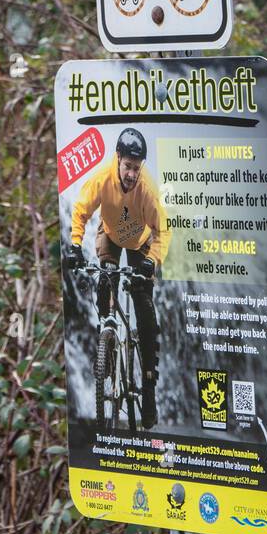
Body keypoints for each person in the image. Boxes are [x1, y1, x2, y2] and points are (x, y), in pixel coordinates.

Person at [67, 128, 171, 429]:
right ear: (118, 160)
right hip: (111, 234)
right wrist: (75, 244)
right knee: (104, 280)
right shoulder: (102, 178)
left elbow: (164, 230)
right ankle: (108, 344)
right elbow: (81, 210)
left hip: (140, 241)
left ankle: (149, 388)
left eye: (136, 169)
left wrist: (152, 261)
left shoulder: (147, 190)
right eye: (127, 166)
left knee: (145, 311)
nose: (132, 174)